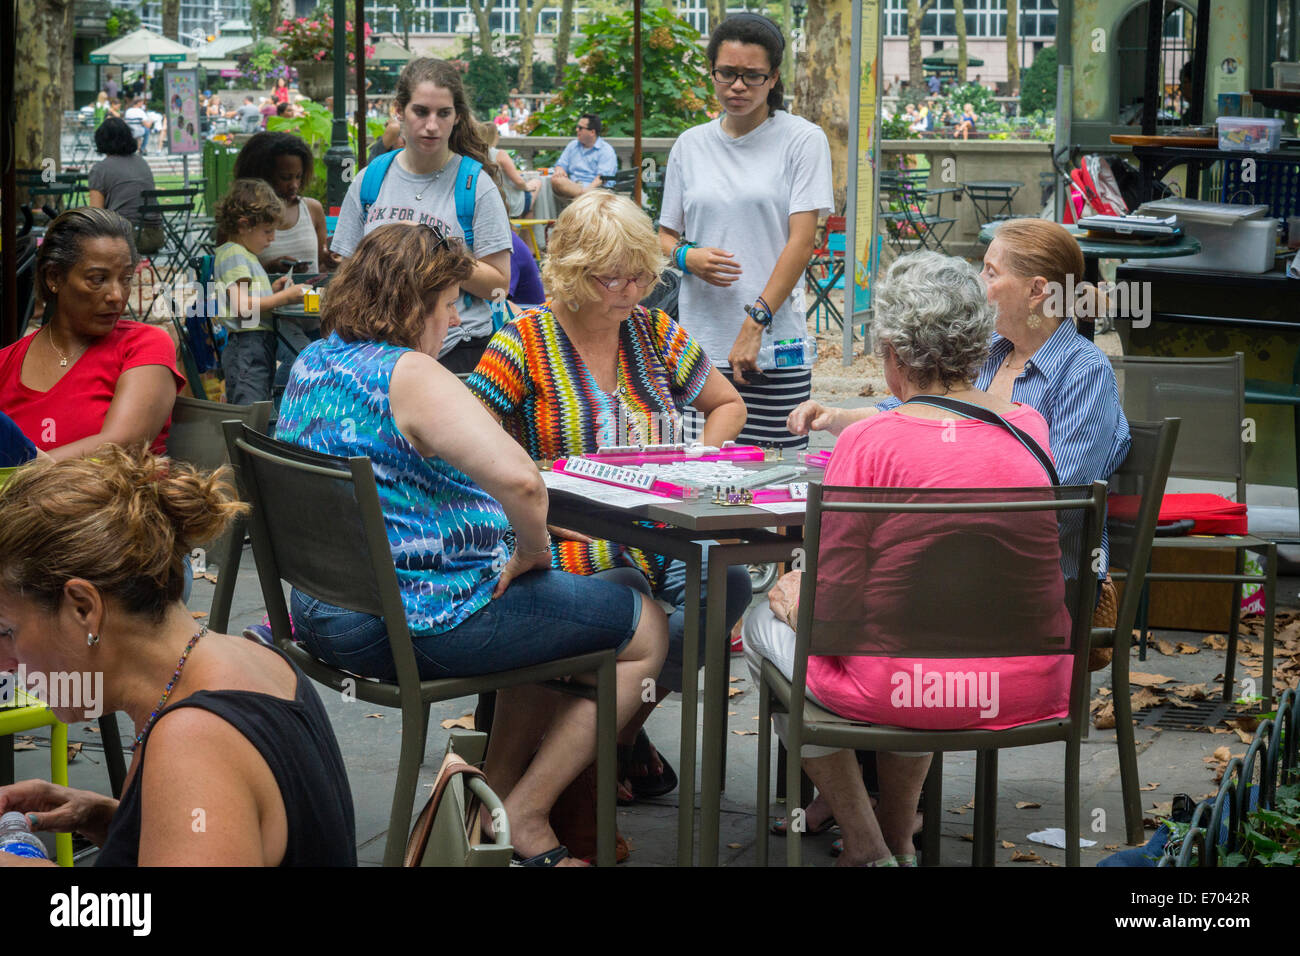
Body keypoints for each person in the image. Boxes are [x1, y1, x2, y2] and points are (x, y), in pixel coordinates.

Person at [277, 222, 668, 865]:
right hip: (407, 624)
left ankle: (494, 810)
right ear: (412, 303)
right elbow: (524, 481)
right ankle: (527, 813)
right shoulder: (410, 373)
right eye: (451, 299)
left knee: (569, 607)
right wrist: (534, 550)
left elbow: (399, 480)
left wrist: (508, 534)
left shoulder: (316, 360)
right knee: (645, 624)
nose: (458, 314)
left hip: (322, 612)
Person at [745, 251, 1073, 866]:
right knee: (912, 631)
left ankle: (868, 848)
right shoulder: (1031, 426)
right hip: (1028, 681)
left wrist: (792, 599)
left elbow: (834, 612)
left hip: (904, 688)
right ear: (978, 343)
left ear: (894, 352)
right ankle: (898, 839)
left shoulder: (868, 440)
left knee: (766, 627)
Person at [466, 191, 752, 803]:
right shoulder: (522, 344)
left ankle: (618, 732)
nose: (632, 290)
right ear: (571, 273)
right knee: (623, 592)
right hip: (563, 540)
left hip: (657, 531)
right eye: (612, 278)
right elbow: (469, 452)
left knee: (727, 585)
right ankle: (587, 751)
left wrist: (699, 459)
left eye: (643, 275)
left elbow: (728, 404)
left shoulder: (653, 333)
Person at [0, 445, 357, 866]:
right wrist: (119, 820)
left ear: (83, 607)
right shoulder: (253, 660)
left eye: (7, 631)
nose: (4, 662)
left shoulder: (194, 742)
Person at [658, 12, 833, 449]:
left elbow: (802, 241)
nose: (738, 86)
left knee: (777, 484)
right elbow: (661, 237)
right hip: (699, 346)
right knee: (703, 484)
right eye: (727, 73)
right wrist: (686, 257)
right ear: (712, 73)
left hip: (777, 345)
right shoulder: (690, 145)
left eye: (752, 76)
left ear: (773, 78)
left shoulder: (802, 140)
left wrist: (756, 321)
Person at [330, 57, 512, 376]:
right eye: (421, 111)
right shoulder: (370, 180)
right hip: (380, 352)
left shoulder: (475, 185)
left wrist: (437, 251)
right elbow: (346, 272)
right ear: (399, 111)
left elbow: (499, 287)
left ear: (457, 117)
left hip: (458, 351)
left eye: (443, 113)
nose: (431, 125)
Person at [0, 208, 184, 460]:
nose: (117, 296)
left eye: (126, 278)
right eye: (97, 279)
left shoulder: (145, 345)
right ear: (54, 277)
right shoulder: (5, 365)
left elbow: (121, 447)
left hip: (117, 499)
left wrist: (19, 476)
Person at [232, 132, 337, 392]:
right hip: (270, 315)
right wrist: (272, 267)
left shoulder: (311, 209)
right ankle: (281, 407)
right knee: (307, 359)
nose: (293, 185)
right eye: (285, 177)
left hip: (312, 307)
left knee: (326, 356)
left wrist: (332, 259)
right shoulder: (244, 220)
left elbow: (321, 265)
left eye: (299, 177)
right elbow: (233, 272)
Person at [212, 178, 308, 404]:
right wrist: (283, 297)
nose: (272, 239)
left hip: (254, 343)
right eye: (267, 231)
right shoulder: (235, 254)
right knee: (251, 409)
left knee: (259, 403)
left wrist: (272, 290)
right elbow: (243, 307)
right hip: (247, 345)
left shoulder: (242, 254)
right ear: (244, 225)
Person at [87, 116, 165, 255]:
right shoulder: (142, 163)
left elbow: (96, 216)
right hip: (156, 236)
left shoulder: (100, 169)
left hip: (122, 240)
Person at [550, 113, 617, 201]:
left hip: (597, 190)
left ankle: (580, 199)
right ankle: (580, 198)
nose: (577, 130)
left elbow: (602, 179)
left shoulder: (606, 150)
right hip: (574, 186)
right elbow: (561, 164)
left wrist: (586, 192)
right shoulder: (572, 145)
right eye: (577, 126)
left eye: (581, 128)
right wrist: (559, 170)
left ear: (592, 132)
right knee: (556, 179)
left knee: (558, 184)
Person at [481, 120, 540, 218]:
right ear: (495, 136)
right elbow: (518, 182)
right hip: (508, 203)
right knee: (537, 182)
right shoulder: (500, 154)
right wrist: (527, 187)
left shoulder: (476, 154)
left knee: (528, 209)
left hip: (490, 202)